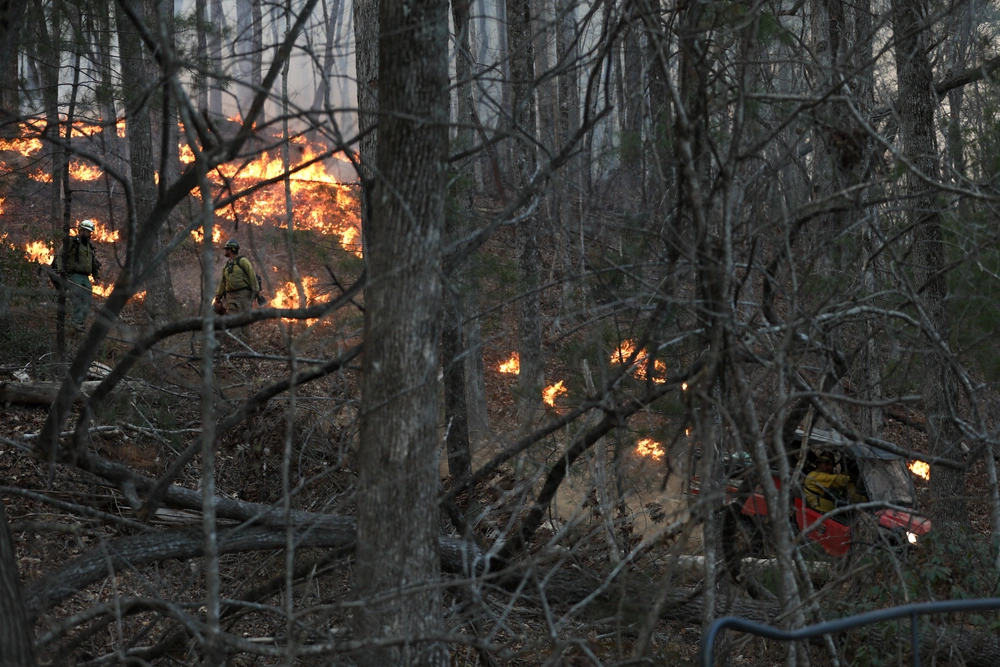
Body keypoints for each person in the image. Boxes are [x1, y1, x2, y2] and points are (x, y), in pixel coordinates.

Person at [55, 219, 102, 331]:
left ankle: (80, 323)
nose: (88, 234)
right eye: (86, 231)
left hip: (86, 277)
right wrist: (60, 270)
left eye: (90, 232)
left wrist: (96, 276)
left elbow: (93, 262)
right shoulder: (72, 242)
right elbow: (60, 256)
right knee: (77, 299)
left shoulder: (89, 247)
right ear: (80, 230)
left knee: (87, 301)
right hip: (74, 276)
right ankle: (76, 323)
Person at [214, 239, 258, 342]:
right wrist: (218, 295)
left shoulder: (243, 261)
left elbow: (252, 275)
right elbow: (223, 282)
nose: (225, 251)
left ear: (232, 250)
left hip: (243, 294)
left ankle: (248, 340)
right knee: (233, 319)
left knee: (244, 318)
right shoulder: (227, 265)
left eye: (227, 249)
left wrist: (256, 290)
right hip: (230, 296)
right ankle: (236, 342)